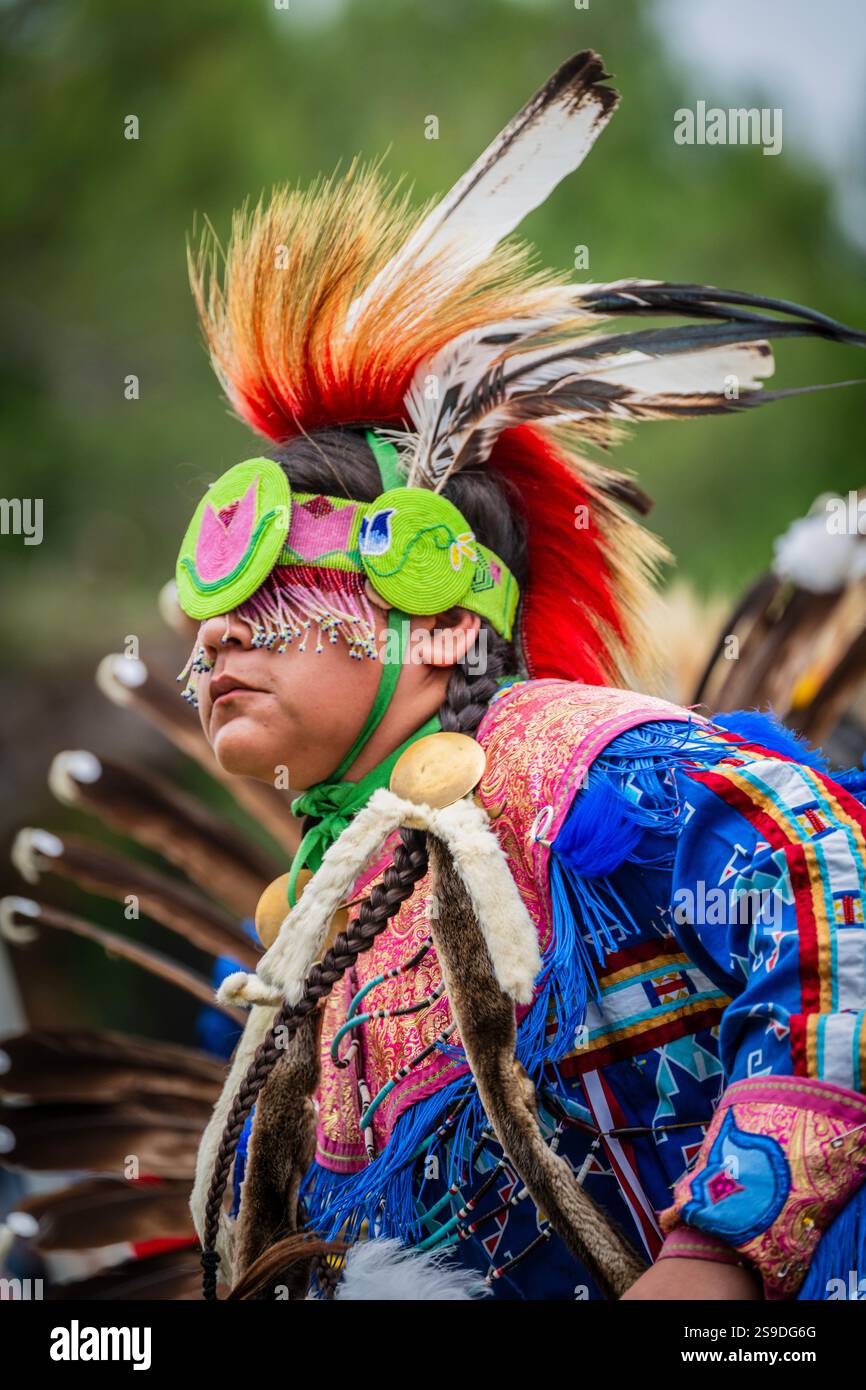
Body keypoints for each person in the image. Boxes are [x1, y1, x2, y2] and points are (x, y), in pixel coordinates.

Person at [171, 51, 866, 1301]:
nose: (212, 637)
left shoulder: (578, 769)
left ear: (437, 625)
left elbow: (833, 891)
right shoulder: (312, 933)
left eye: (273, 596)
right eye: (207, 613)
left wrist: (711, 1262)